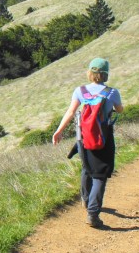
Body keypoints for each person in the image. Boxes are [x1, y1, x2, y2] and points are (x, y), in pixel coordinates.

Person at [52, 57, 124, 228]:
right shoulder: (112, 92)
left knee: (87, 167)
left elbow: (71, 112)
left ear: (90, 73)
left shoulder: (80, 91)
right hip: (103, 138)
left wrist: (59, 131)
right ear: (106, 74)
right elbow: (120, 110)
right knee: (100, 175)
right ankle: (92, 214)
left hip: (83, 137)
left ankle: (85, 199)